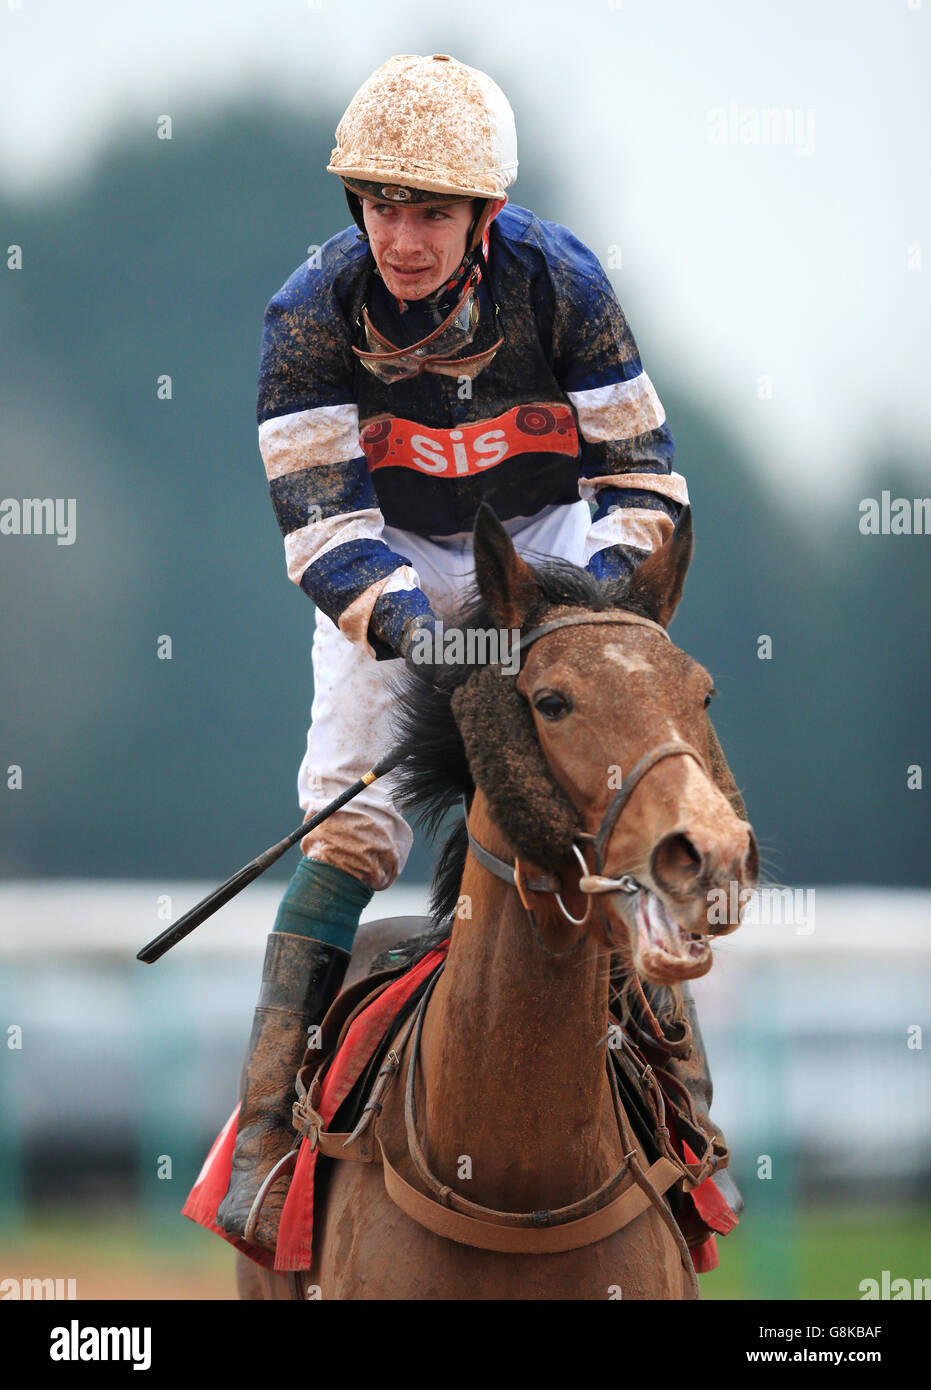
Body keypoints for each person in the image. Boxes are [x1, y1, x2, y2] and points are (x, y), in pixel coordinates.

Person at [215, 53, 736, 1252]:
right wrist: (430, 634)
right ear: (357, 207)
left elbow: (646, 487)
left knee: (636, 773)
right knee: (350, 823)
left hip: (550, 548)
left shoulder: (564, 282)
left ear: (483, 218)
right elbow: (323, 533)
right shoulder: (306, 315)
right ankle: (261, 1134)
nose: (403, 237)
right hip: (388, 558)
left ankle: (685, 1114)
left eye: (431, 211)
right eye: (383, 206)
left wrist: (570, 606)